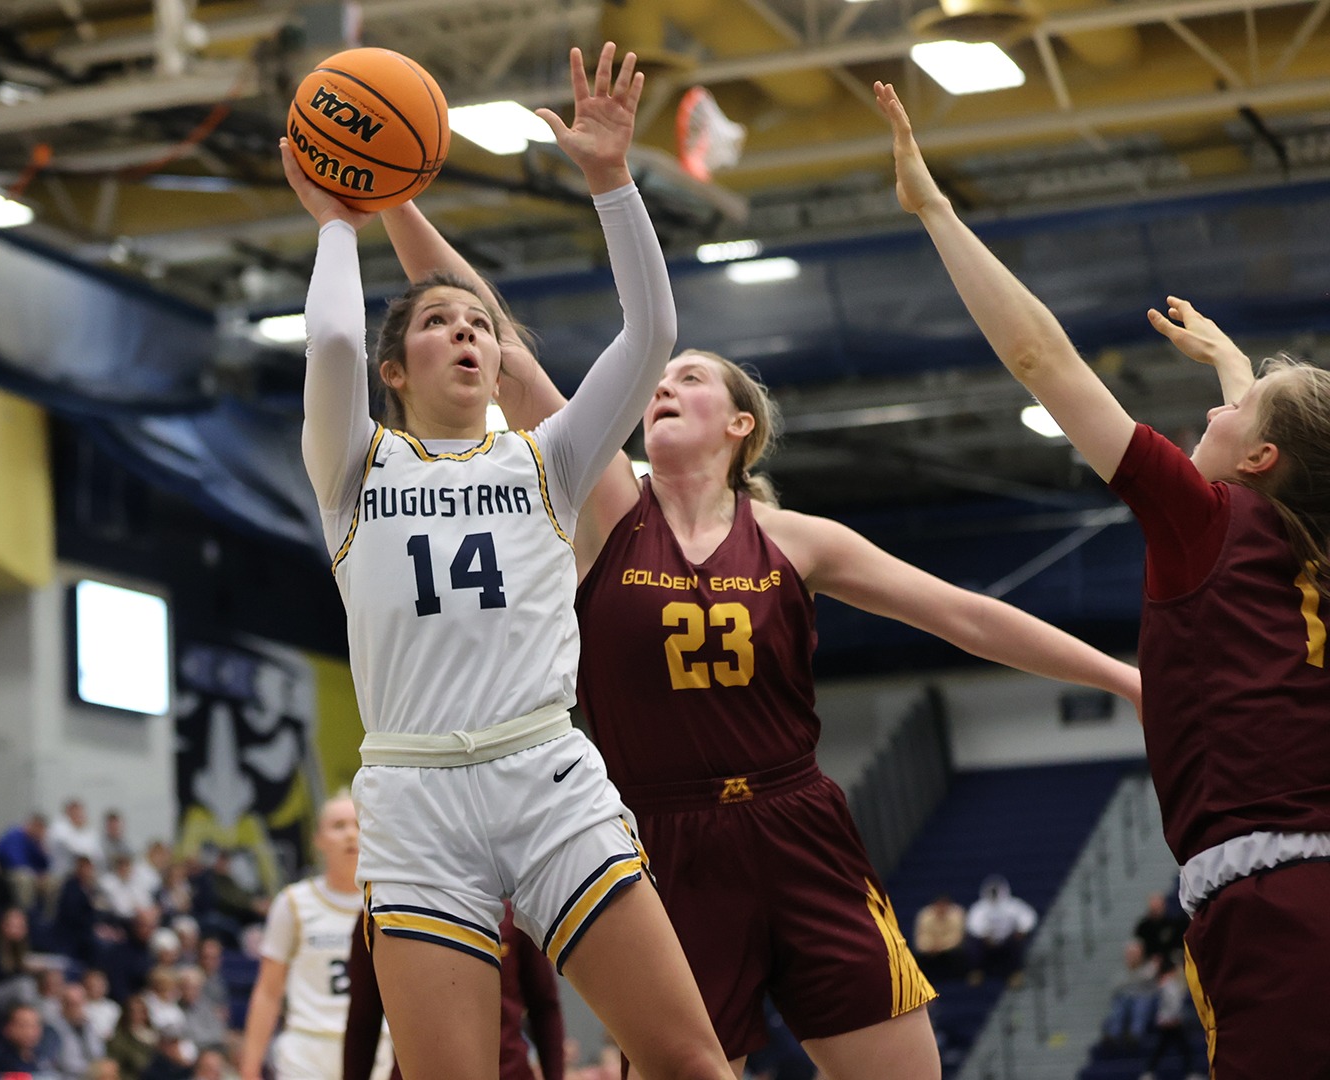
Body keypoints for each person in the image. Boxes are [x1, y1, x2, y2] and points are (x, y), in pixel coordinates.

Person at [413, 165, 1135, 1080]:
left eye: (690, 378)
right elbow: (500, 344)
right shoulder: (603, 503)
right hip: (657, 840)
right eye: (658, 381)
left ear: (740, 426)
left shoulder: (799, 540)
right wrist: (397, 195)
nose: (662, 389)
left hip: (799, 826)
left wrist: (1124, 677)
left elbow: (968, 617)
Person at [286, 41, 729, 1080]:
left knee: (692, 1062)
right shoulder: (353, 464)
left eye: (480, 322)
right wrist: (337, 226)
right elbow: (337, 350)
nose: (468, 334)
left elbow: (651, 329)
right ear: (402, 368)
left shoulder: (552, 458)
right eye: (440, 323)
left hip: (546, 773)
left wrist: (614, 182)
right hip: (415, 795)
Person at [884, 77, 1330, 1073]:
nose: (1215, 410)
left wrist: (935, 209)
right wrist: (1237, 367)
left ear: (1257, 460)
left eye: (1235, 409)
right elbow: (1279, 448)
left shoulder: (1204, 520)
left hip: (1277, 908)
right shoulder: (1307, 542)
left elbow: (1042, 354)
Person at [342, 899, 562, 1080]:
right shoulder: (381, 916)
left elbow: (544, 1005)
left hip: (509, 1072)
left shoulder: (509, 913)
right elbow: (363, 1022)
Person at [235, 793, 360, 1080]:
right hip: (307, 1050)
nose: (351, 834)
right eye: (338, 826)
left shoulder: (387, 905)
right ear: (318, 839)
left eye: (358, 824)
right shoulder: (293, 903)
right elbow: (268, 991)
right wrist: (250, 1066)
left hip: (374, 1048)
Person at [966, 876, 1037, 984]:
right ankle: (976, 972)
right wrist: (984, 935)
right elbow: (973, 923)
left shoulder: (1013, 905)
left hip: (1008, 940)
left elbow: (1028, 917)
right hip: (987, 941)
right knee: (974, 943)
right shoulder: (980, 907)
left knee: (1017, 942)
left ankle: (1015, 973)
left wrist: (1022, 930)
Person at [911, 894, 969, 981]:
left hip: (949, 951)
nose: (941, 909)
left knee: (960, 956)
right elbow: (921, 938)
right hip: (930, 951)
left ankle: (956, 981)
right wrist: (930, 946)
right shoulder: (925, 915)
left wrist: (940, 946)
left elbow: (957, 938)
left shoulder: (957, 914)